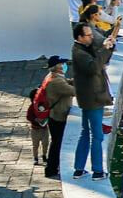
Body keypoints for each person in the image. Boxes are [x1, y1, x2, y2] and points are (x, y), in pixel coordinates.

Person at [68, 25, 111, 180]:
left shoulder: (82, 49)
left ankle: (79, 169)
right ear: (79, 37)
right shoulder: (79, 53)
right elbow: (93, 67)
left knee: (85, 132)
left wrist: (106, 46)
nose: (91, 37)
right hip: (93, 99)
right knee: (97, 135)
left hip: (87, 98)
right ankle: (98, 171)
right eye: (88, 35)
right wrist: (105, 50)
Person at [33, 56, 74, 173]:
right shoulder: (56, 81)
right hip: (58, 116)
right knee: (57, 143)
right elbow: (73, 91)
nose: (64, 65)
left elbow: (67, 83)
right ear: (57, 67)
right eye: (62, 63)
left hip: (55, 115)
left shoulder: (53, 77)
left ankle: (52, 167)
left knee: (56, 142)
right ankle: (51, 168)